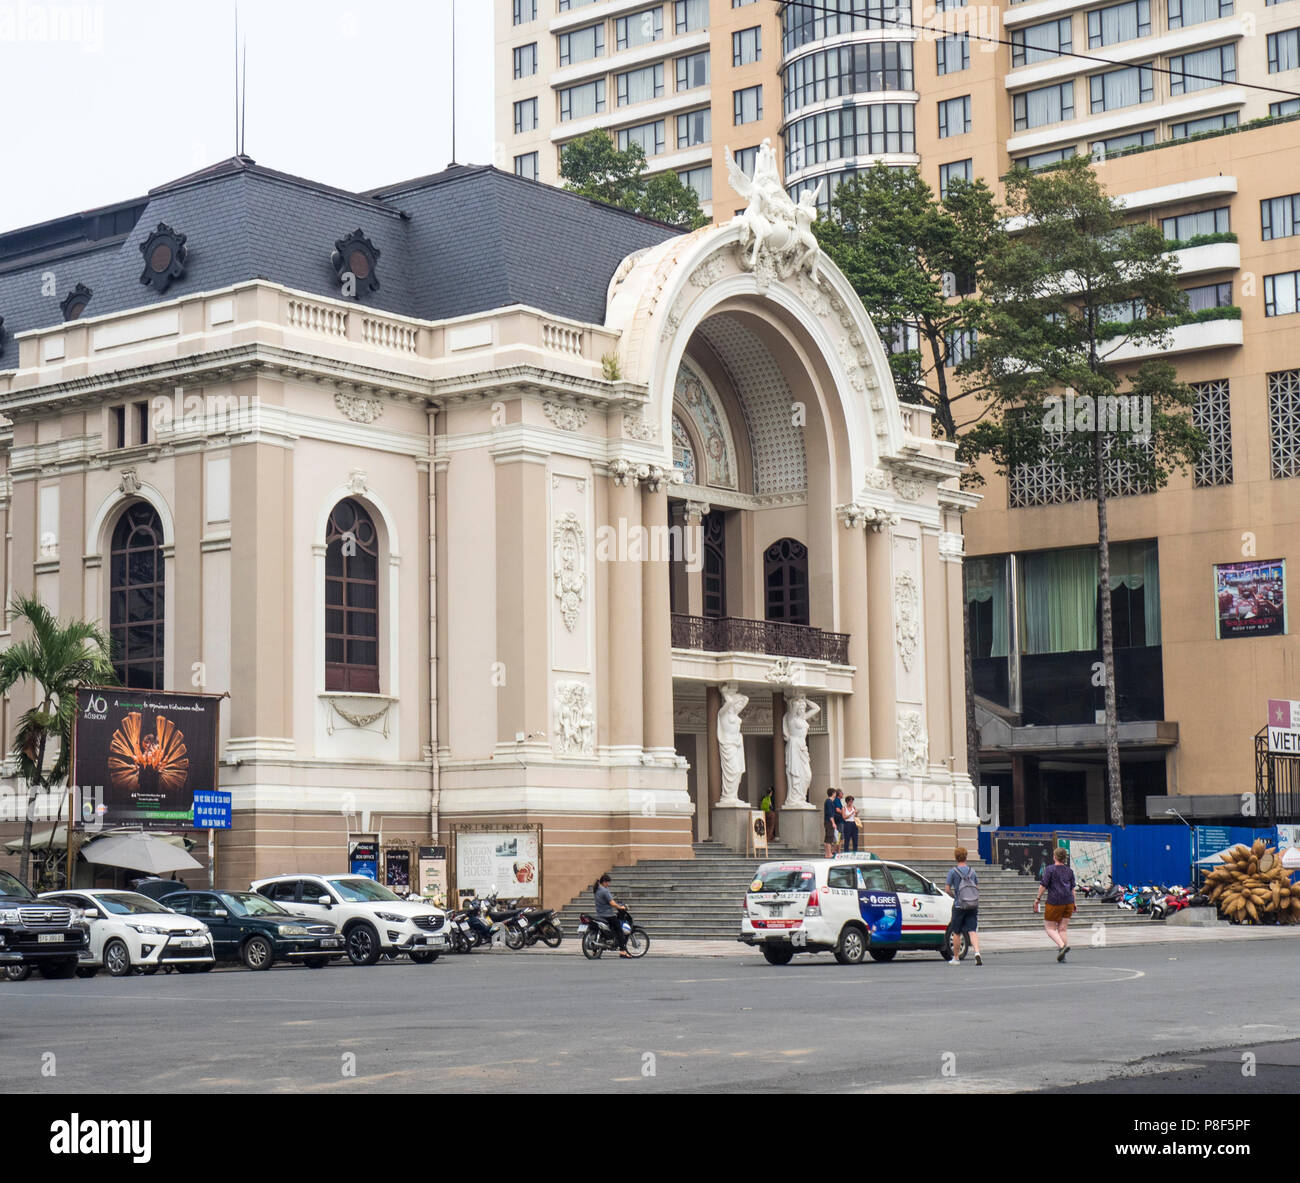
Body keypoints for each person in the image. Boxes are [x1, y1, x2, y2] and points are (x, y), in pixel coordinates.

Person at [1035, 846, 1077, 962]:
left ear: (1054, 857)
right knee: (1062, 929)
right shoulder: (1069, 871)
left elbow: (1043, 885)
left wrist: (1037, 898)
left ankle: (1062, 946)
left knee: (1049, 928)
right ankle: (1062, 955)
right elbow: (1073, 889)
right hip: (1068, 901)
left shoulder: (1050, 869)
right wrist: (1074, 903)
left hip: (1054, 901)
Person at [944, 846, 982, 966]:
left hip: (959, 905)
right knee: (972, 930)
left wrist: (955, 897)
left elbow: (947, 889)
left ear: (956, 857)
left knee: (956, 932)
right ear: (966, 856)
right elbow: (976, 887)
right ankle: (977, 953)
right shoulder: (972, 871)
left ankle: (956, 957)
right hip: (972, 904)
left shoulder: (953, 872)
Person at [594, 872, 631, 958]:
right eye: (608, 882)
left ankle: (595, 952)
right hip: (608, 915)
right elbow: (612, 903)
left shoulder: (597, 890)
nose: (609, 884)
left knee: (605, 933)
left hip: (599, 914)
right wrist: (620, 907)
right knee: (619, 931)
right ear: (604, 882)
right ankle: (622, 951)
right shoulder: (605, 891)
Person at [822, 788, 838, 858]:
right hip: (829, 822)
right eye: (835, 793)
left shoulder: (829, 801)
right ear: (833, 793)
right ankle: (829, 853)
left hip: (828, 821)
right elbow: (830, 814)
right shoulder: (829, 802)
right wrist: (833, 823)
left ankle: (827, 853)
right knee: (829, 838)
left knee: (828, 838)